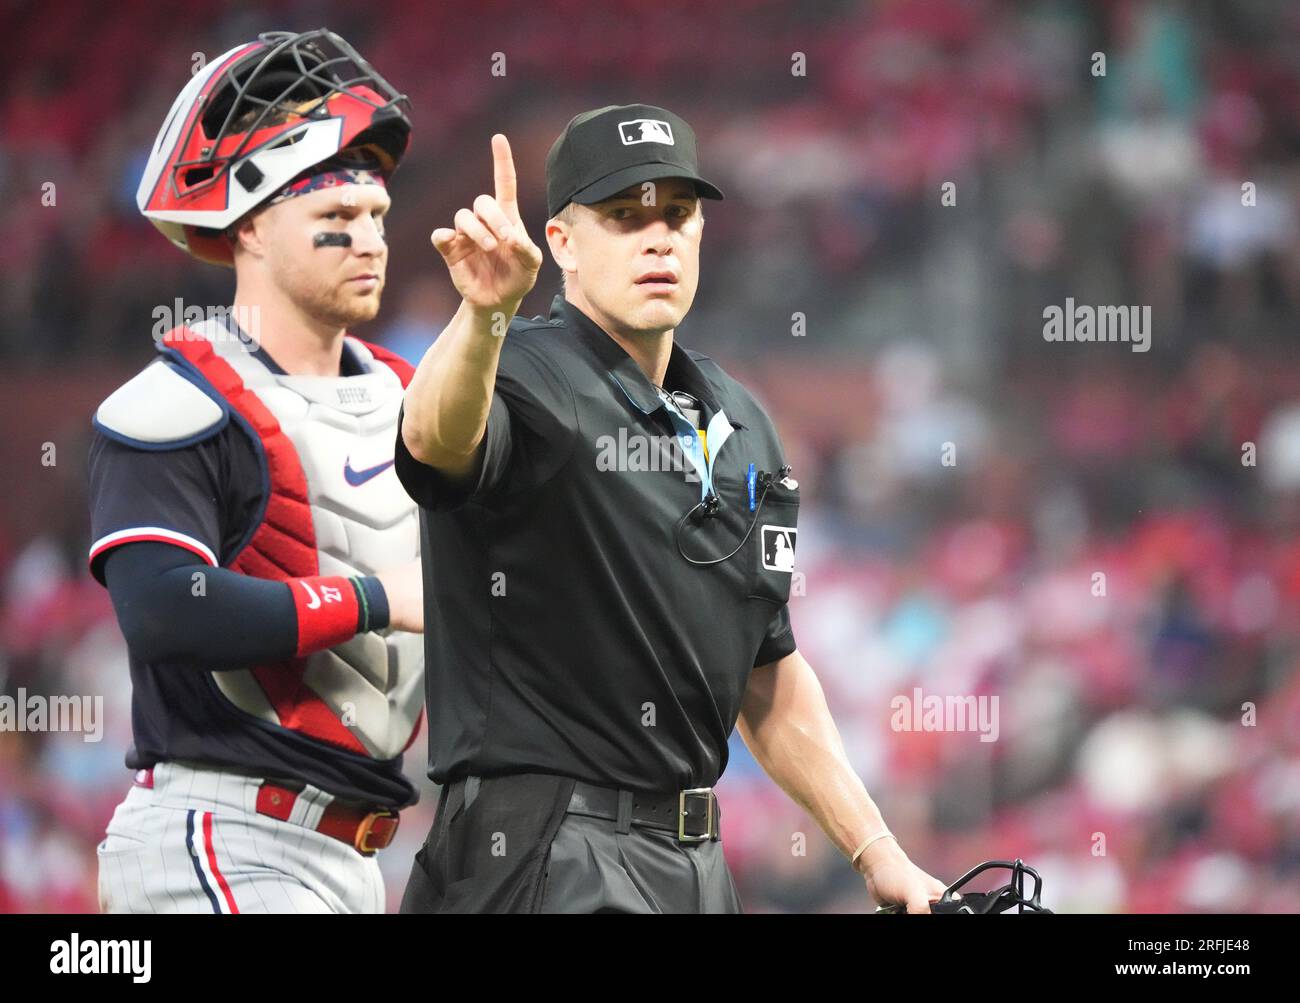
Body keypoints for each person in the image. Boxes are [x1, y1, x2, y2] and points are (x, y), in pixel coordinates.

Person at [396, 104, 947, 913]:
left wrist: (877, 851)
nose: (658, 238)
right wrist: (484, 315)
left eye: (677, 215)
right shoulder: (518, 371)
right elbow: (434, 445)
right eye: (624, 216)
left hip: (693, 856)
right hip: (546, 845)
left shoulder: (743, 421)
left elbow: (767, 671)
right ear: (562, 243)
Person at [88, 29, 424, 914]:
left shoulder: (417, 397)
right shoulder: (176, 399)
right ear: (248, 230)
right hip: (217, 835)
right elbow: (163, 610)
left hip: (355, 859)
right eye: (335, 222)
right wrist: (378, 597)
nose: (368, 242)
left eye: (377, 218)